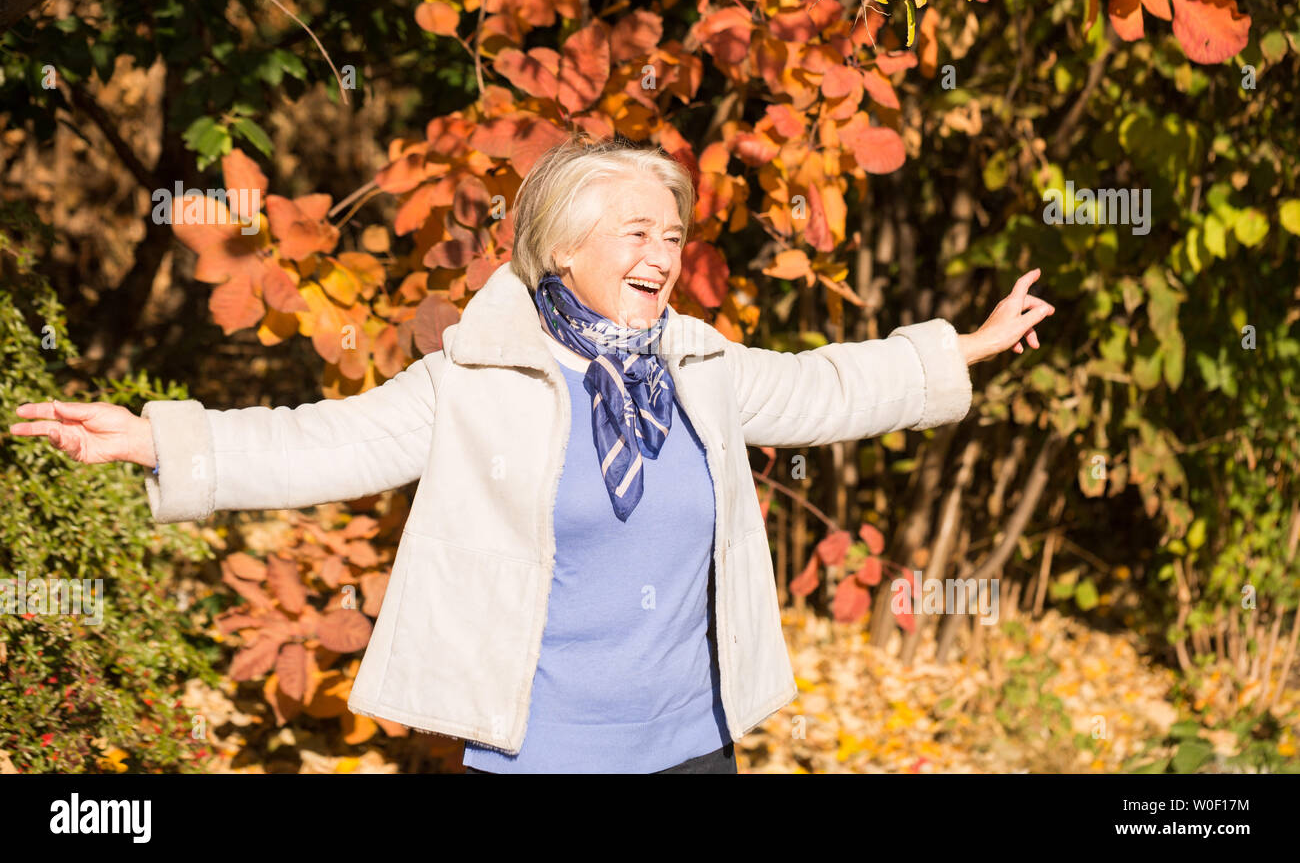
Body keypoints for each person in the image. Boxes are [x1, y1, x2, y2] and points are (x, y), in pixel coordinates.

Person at [9, 135, 1055, 773]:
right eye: (636, 233)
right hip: (541, 751)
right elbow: (316, 442)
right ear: (564, 247)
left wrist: (961, 345)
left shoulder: (698, 363)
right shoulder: (477, 375)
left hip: (694, 738)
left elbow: (829, 387)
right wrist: (154, 434)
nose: (663, 255)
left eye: (673, 235)